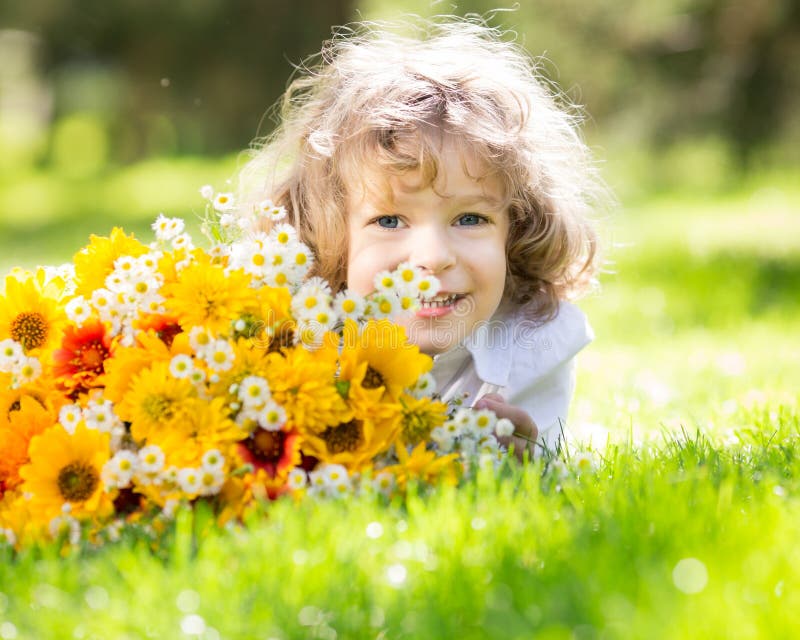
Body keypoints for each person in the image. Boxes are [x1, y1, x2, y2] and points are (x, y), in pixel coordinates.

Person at [238, 17, 607, 460]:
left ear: (518, 229)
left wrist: (529, 460)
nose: (432, 258)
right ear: (332, 235)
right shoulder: (290, 336)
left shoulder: (536, 340)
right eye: (390, 221)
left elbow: (535, 474)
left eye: (470, 218)